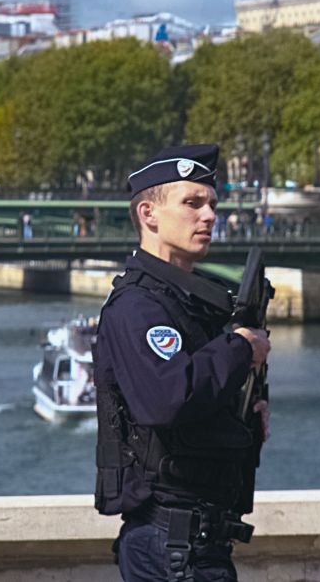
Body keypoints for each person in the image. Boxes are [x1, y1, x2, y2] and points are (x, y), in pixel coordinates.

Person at [94, 144, 271, 581]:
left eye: (212, 204)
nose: (209, 216)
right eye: (192, 203)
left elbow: (192, 416)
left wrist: (245, 421)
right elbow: (168, 397)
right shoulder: (139, 305)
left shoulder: (191, 302)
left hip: (195, 539)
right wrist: (240, 348)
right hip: (172, 543)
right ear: (149, 214)